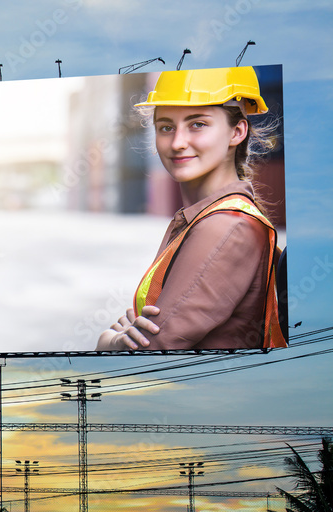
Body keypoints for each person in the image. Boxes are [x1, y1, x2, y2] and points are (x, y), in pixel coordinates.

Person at [96, 67, 286, 351]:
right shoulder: (200, 218)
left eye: (197, 124)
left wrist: (107, 342)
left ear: (237, 132)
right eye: (166, 127)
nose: (177, 143)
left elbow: (152, 350)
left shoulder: (228, 225)